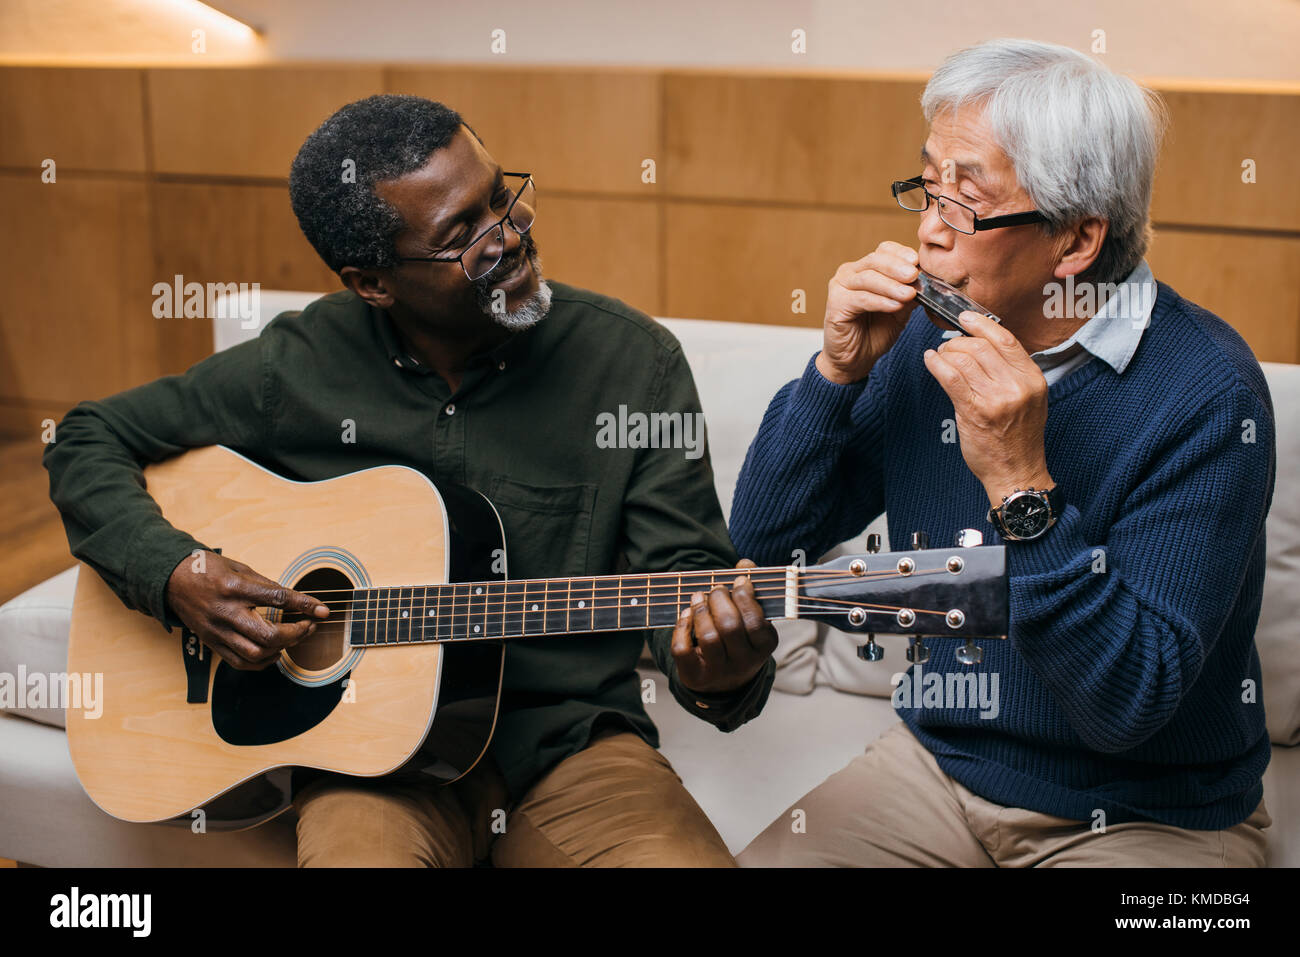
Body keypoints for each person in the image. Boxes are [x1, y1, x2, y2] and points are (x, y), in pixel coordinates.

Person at [43, 94, 777, 867]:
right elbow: (88, 437)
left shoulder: (636, 366)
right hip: (371, 764)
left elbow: (683, 586)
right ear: (373, 284)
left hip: (569, 746)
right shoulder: (296, 365)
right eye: (463, 235)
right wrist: (175, 573)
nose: (511, 237)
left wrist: (712, 668)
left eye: (503, 197)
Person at [728, 39, 1274, 867]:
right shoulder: (923, 338)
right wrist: (834, 375)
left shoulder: (1209, 396)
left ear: (1075, 243)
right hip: (941, 770)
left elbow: (1126, 705)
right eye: (927, 186)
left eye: (963, 202)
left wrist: (1021, 481)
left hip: (1151, 815)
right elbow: (766, 541)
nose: (925, 230)